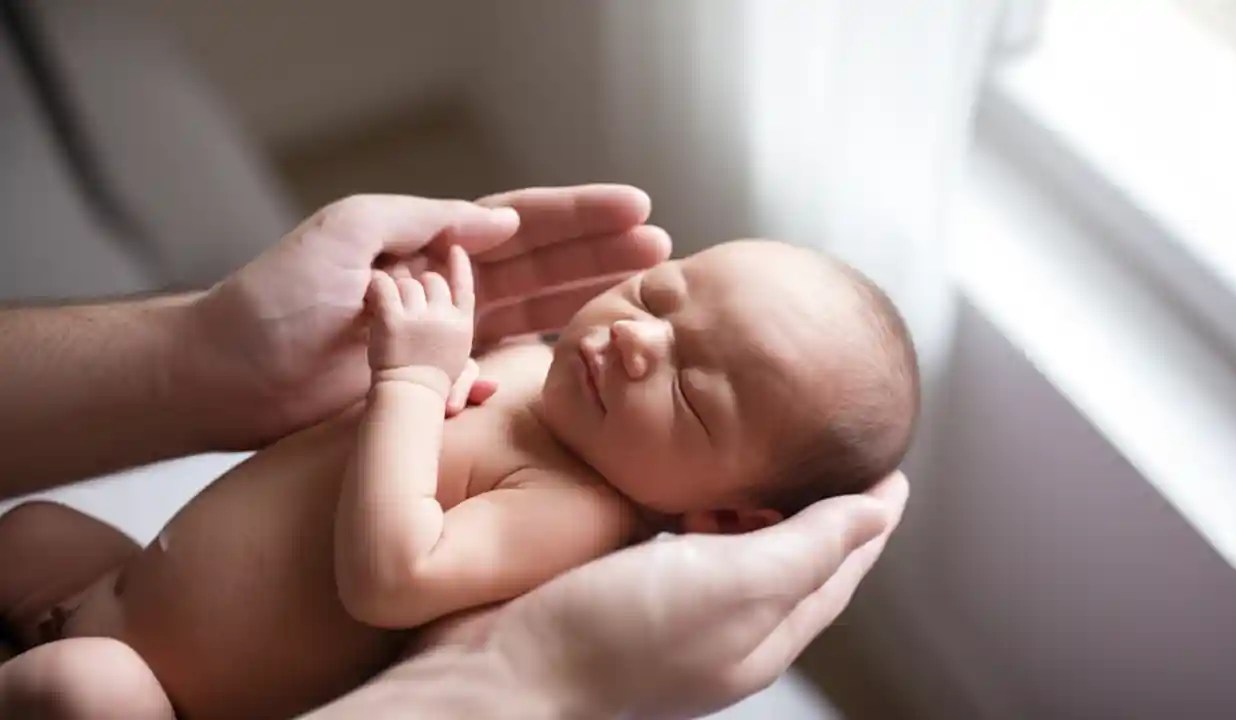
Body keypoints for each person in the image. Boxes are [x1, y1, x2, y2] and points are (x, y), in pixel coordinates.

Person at [0, 184, 908, 718]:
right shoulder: (528, 364)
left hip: (155, 688)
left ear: (722, 519)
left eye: (690, 391)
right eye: (661, 297)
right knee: (29, 527)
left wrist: (409, 382)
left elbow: (393, 575)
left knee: (77, 688)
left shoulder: (570, 507)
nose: (639, 341)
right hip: (116, 581)